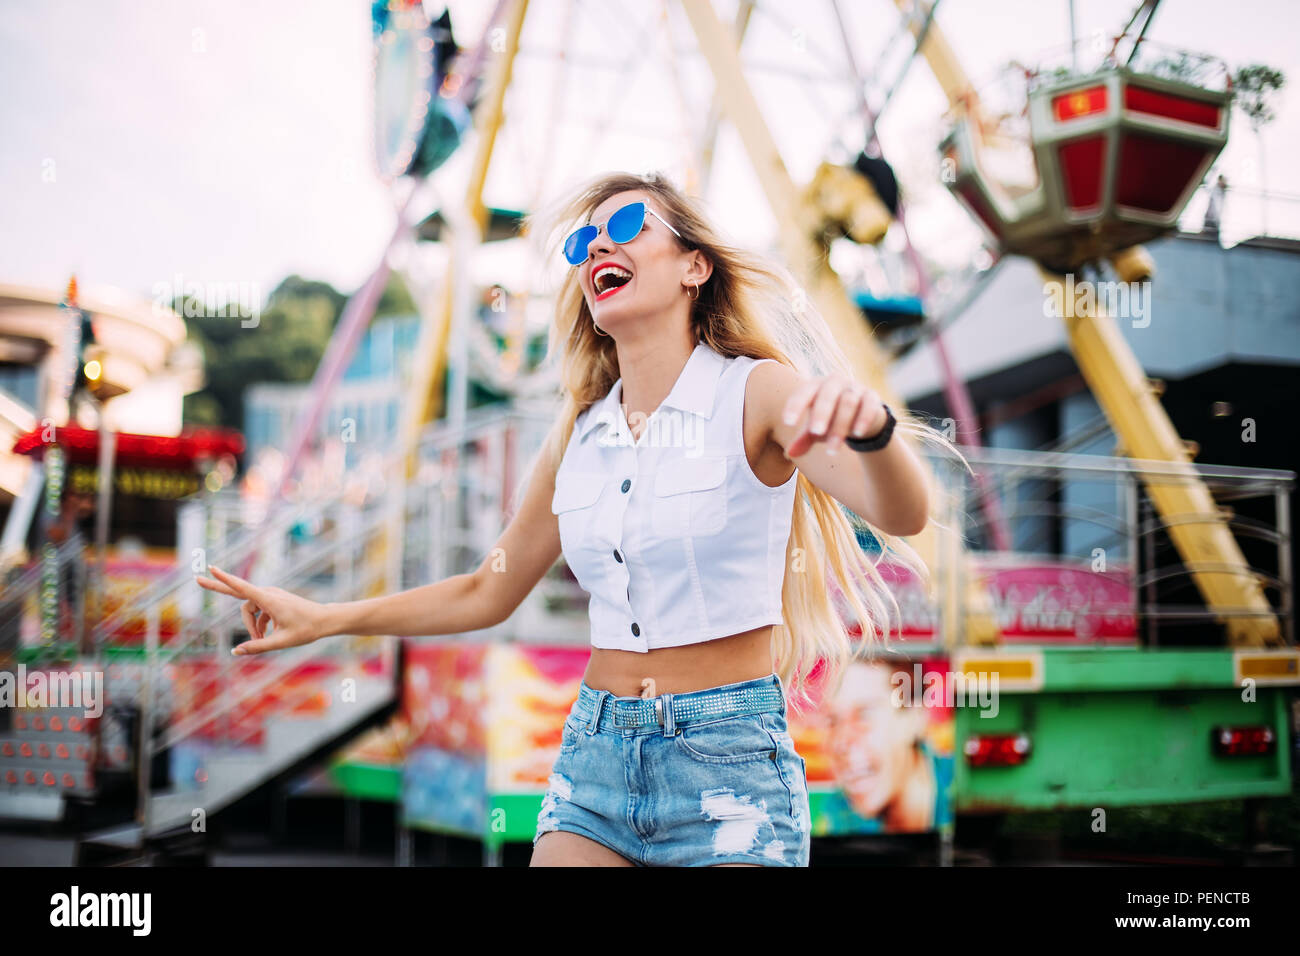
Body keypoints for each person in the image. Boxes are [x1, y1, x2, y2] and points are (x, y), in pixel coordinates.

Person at [195, 170, 962, 867]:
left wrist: (876, 434)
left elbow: (902, 508)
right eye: (583, 240)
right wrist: (326, 615)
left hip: (727, 763)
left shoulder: (756, 392)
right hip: (595, 758)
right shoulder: (580, 432)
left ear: (695, 266)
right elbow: (484, 592)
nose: (601, 244)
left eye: (628, 225)